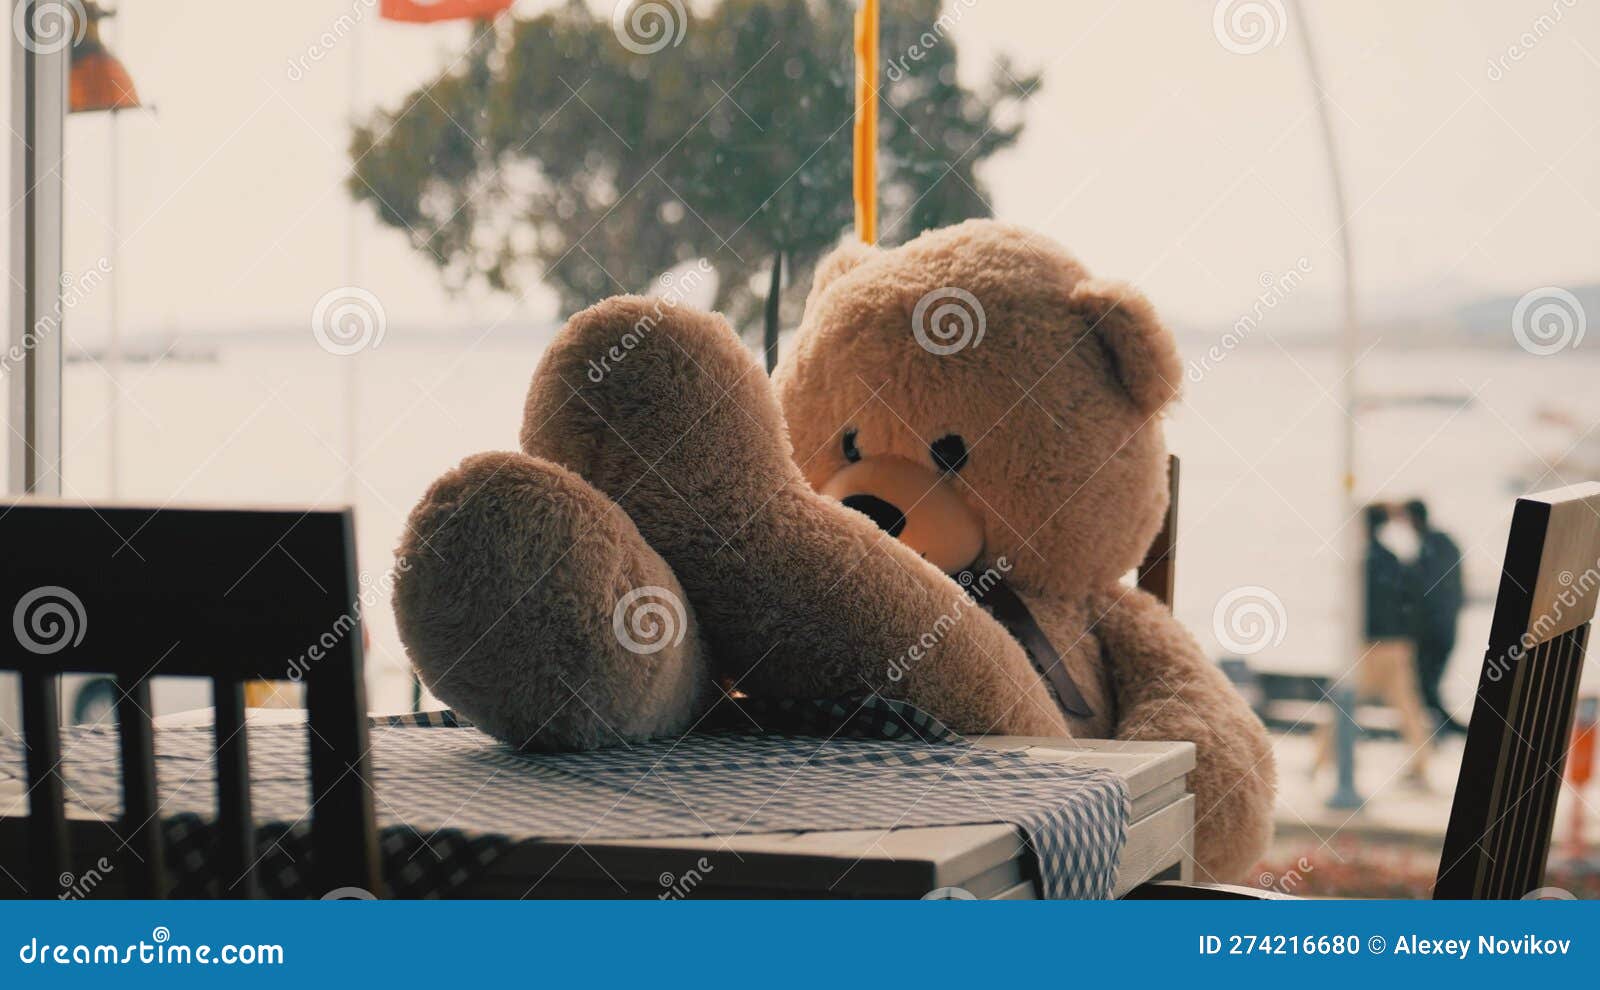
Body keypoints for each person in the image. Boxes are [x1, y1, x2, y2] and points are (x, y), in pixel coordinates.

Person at [1314, 503, 1432, 785]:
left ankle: (1319, 760)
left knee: (1342, 702)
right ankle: (1421, 762)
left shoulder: (1363, 562)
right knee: (1408, 707)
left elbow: (1357, 608)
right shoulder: (1394, 560)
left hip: (1371, 647)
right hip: (1398, 645)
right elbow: (1413, 602)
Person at [1404, 498, 1467, 735]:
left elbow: (1425, 591)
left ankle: (1445, 729)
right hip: (1445, 626)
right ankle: (1442, 728)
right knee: (1427, 686)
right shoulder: (1442, 544)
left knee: (1425, 686)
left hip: (1434, 630)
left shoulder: (1431, 548)